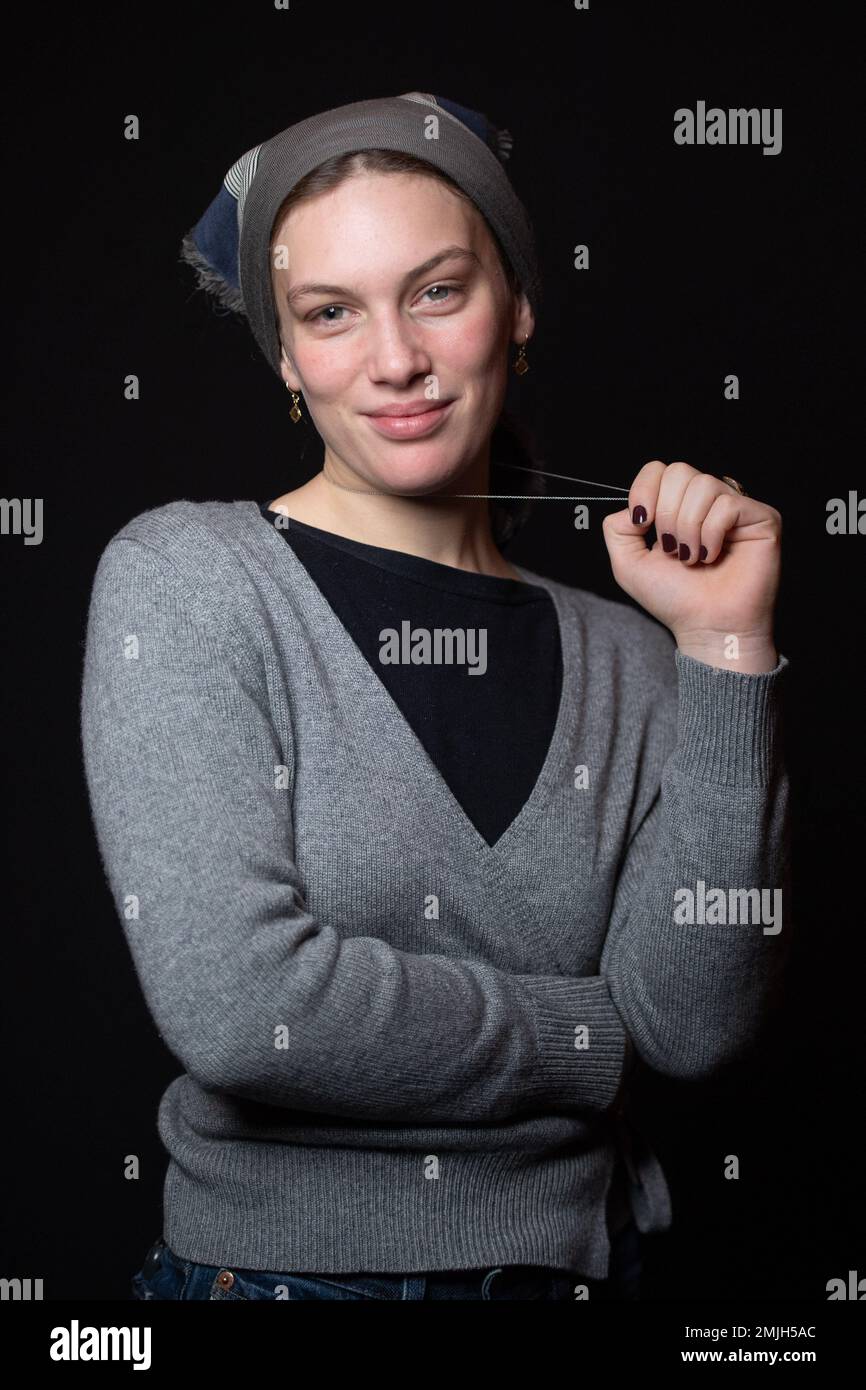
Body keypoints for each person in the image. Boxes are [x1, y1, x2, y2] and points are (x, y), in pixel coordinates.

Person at [80, 92, 791, 1302]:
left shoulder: (630, 654)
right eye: (329, 313)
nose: (393, 360)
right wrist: (585, 1035)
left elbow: (690, 1023)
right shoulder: (190, 580)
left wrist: (726, 648)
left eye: (435, 291)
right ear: (288, 358)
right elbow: (243, 1010)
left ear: (516, 305)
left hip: (581, 1274)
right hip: (278, 1283)